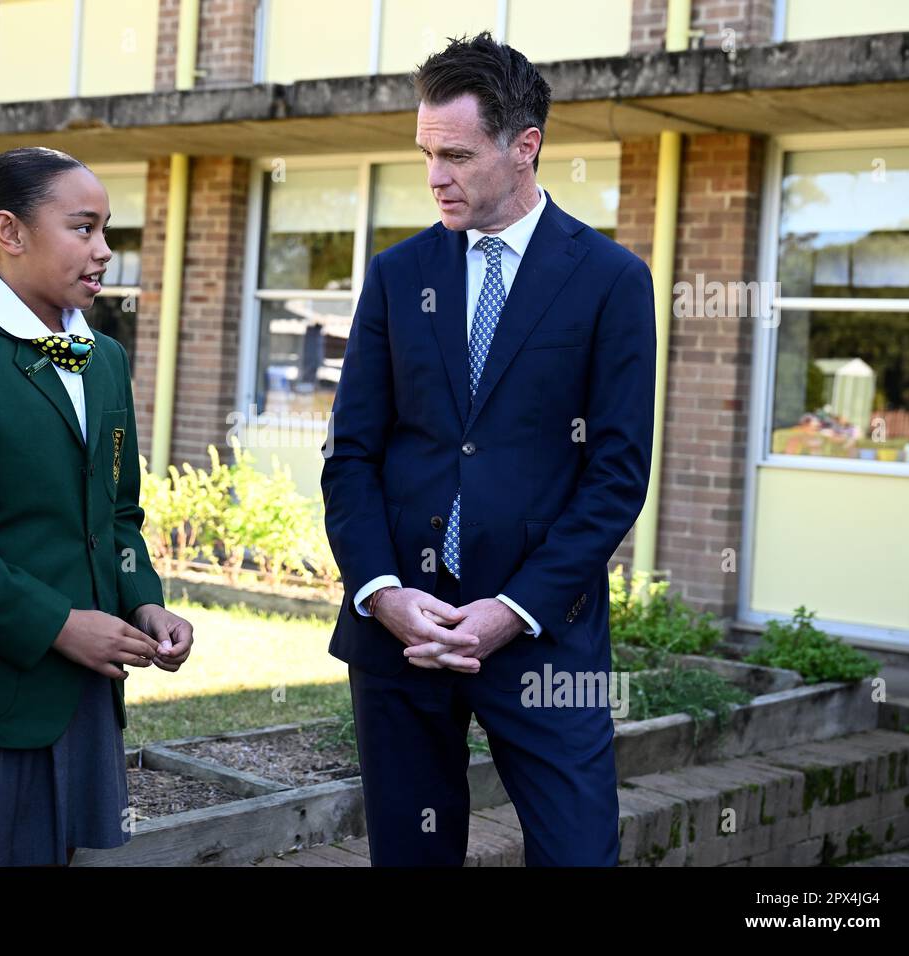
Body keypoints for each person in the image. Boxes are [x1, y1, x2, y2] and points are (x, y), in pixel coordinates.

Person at [321, 34, 657, 866]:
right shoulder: (397, 275)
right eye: (425, 153)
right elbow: (351, 455)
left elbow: (616, 475)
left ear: (525, 147)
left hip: (544, 634)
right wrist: (379, 592)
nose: (435, 176)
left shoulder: (611, 279)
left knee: (581, 855)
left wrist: (512, 612)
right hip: (404, 633)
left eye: (458, 155)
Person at [0, 147, 193, 866]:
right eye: (84, 229)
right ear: (8, 231)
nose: (105, 252)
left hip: (89, 688)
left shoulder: (106, 358)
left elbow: (119, 517)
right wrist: (58, 625)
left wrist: (144, 602)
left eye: (107, 231)